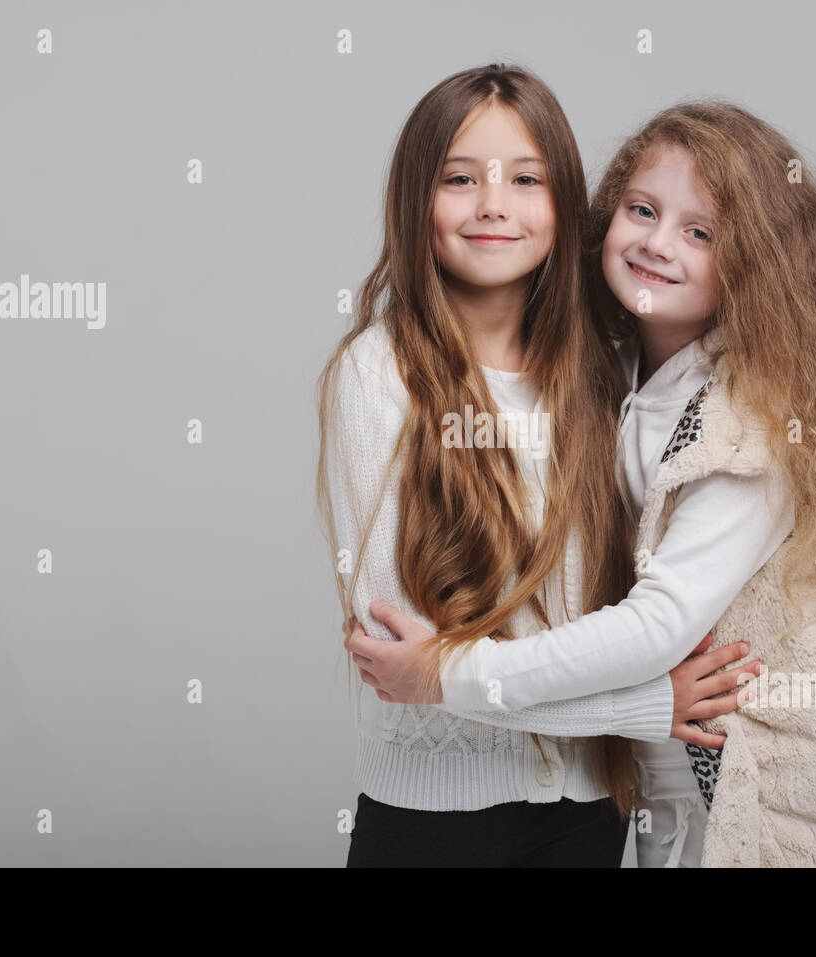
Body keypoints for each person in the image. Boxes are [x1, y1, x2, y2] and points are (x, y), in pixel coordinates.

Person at [349, 101, 816, 867]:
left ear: (758, 266)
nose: (659, 244)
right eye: (642, 210)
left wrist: (450, 671)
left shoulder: (752, 423)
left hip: (783, 795)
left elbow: (656, 625)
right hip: (668, 784)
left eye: (700, 233)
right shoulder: (613, 367)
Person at [317, 65, 758, 868]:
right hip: (435, 817)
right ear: (417, 201)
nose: (493, 204)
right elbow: (410, 662)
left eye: (526, 179)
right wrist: (642, 704)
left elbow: (608, 612)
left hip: (588, 809)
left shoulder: (603, 368)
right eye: (460, 179)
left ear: (565, 206)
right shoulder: (378, 372)